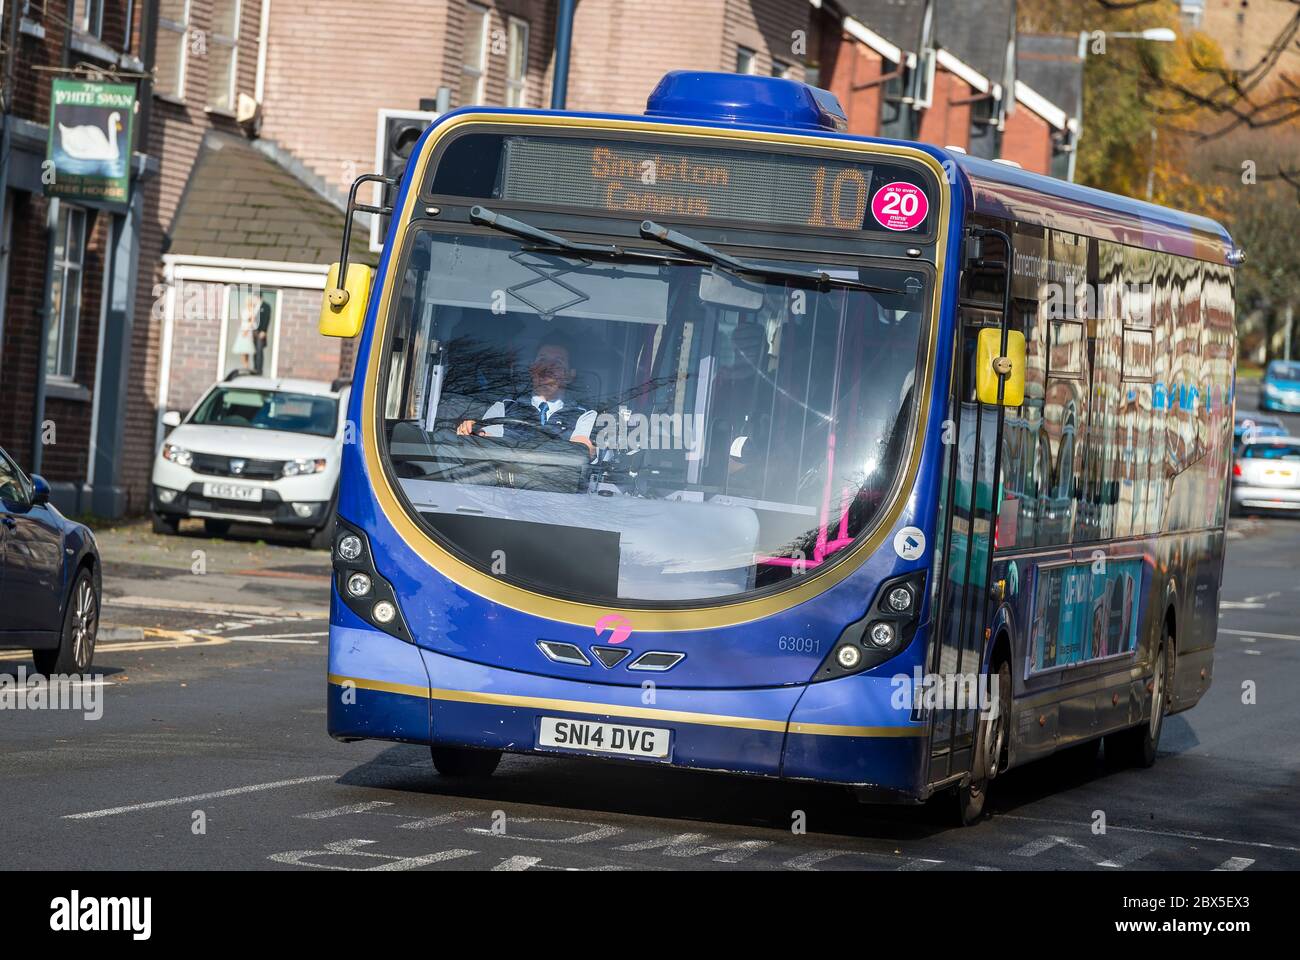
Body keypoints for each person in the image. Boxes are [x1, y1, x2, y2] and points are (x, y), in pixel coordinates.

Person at [457, 334, 597, 457]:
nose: (547, 368)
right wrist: (473, 434)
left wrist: (586, 448)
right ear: (532, 368)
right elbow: (485, 444)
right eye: (542, 360)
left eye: (558, 363)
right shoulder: (505, 407)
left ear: (570, 375)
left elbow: (580, 451)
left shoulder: (584, 416)